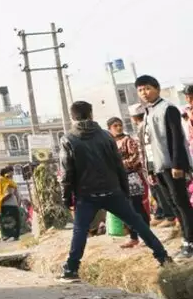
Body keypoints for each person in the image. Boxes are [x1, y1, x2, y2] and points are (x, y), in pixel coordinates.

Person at [59, 102, 172, 280]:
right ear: (91, 114)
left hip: (86, 194)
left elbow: (67, 173)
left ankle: (71, 269)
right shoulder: (106, 136)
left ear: (72, 116)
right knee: (138, 223)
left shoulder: (68, 139)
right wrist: (124, 190)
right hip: (112, 190)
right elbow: (119, 166)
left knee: (80, 231)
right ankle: (163, 257)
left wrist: (66, 198)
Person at [136, 75, 193, 259]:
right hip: (158, 167)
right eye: (140, 90)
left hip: (171, 166)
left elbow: (177, 138)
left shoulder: (168, 109)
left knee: (182, 203)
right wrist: (150, 169)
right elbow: (148, 144)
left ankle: (189, 241)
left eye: (147, 88)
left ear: (157, 88)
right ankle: (186, 237)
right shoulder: (148, 112)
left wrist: (178, 164)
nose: (144, 93)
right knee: (173, 204)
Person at [108, 115, 149, 248]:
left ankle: (146, 236)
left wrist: (119, 165)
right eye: (115, 126)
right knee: (126, 210)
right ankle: (133, 237)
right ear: (109, 129)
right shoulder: (109, 143)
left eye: (120, 125)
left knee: (137, 208)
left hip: (131, 177)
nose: (119, 127)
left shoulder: (128, 140)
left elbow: (135, 158)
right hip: (117, 180)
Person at [0, 168, 21, 241]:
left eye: (12, 175)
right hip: (6, 205)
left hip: (9, 204)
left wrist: (18, 202)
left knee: (11, 220)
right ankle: (7, 235)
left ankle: (12, 235)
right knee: (5, 220)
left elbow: (13, 193)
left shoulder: (10, 182)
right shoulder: (0, 182)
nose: (11, 176)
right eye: (10, 174)